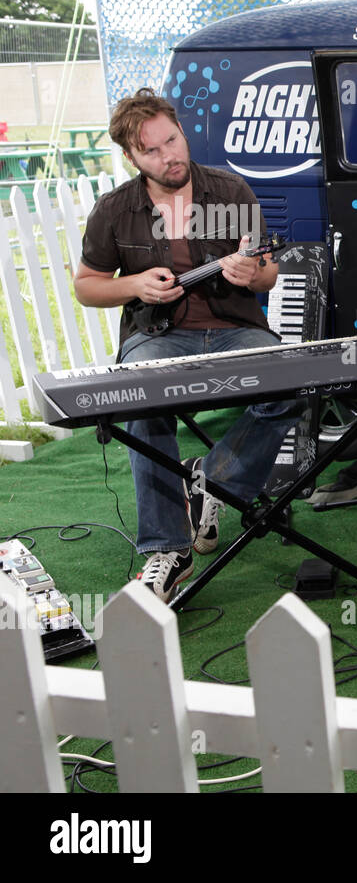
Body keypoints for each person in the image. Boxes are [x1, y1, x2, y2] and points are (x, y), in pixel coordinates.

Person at [73, 88, 299, 603]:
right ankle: (167, 550)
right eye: (152, 150)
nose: (169, 156)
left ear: (181, 130)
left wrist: (252, 271)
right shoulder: (115, 210)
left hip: (232, 326)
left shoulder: (229, 191)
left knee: (291, 384)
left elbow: (267, 274)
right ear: (131, 157)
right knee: (143, 398)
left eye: (172, 140)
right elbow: (86, 286)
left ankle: (213, 482)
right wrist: (133, 286)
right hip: (156, 336)